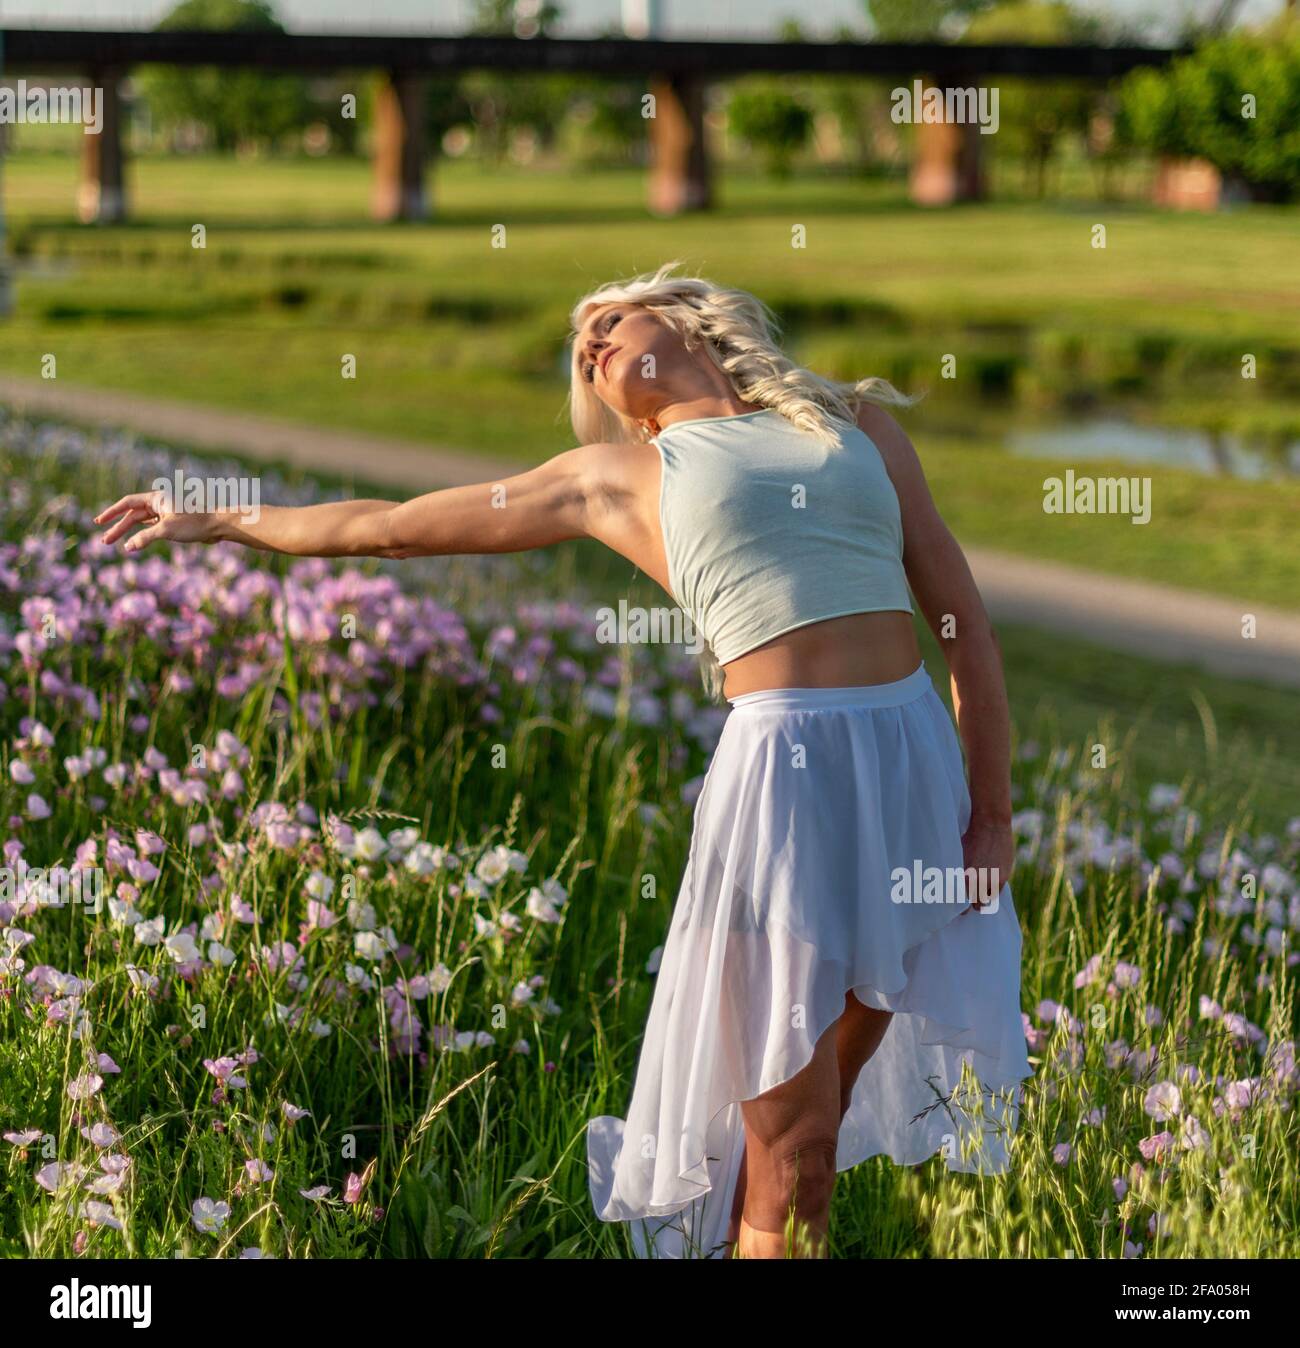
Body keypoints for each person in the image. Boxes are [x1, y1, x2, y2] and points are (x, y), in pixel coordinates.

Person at [95, 261, 1031, 1260]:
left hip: (908, 764)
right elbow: (391, 531)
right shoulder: (615, 477)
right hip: (783, 783)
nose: (587, 342)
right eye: (579, 348)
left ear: (686, 317)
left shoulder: (851, 423)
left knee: (820, 1121)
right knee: (795, 1143)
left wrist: (989, 811)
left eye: (608, 319)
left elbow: (960, 622)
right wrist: (231, 516)